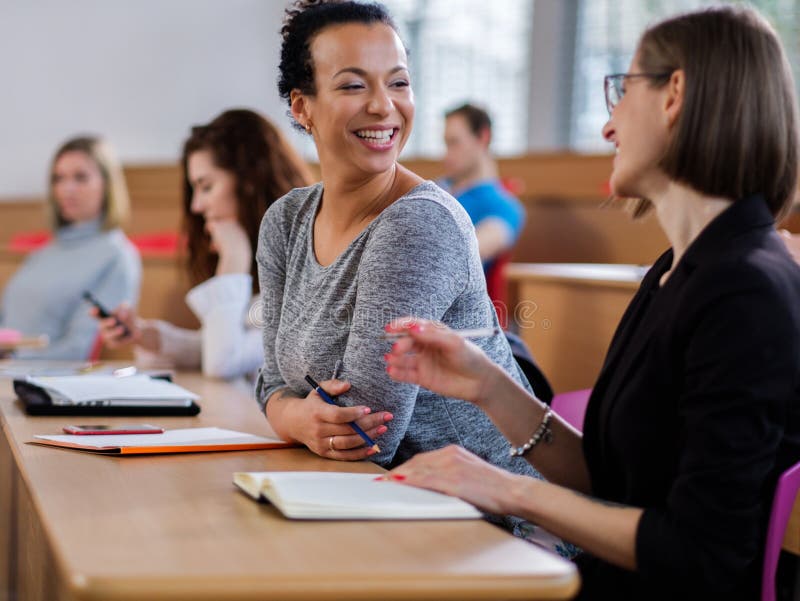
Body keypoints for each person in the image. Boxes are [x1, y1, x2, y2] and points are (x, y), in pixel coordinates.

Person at [384, 6, 800, 600]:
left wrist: (503, 488)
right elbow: (608, 477)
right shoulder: (677, 268)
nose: (608, 128)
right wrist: (489, 387)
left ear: (673, 94)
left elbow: (700, 556)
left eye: (621, 89)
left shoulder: (745, 290)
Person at [255, 0, 567, 549]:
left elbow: (368, 429)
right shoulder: (285, 221)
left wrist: (297, 411)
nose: (384, 106)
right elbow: (269, 379)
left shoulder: (420, 221)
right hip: (390, 505)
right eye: (353, 86)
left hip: (502, 529)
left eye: (398, 83)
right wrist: (296, 418)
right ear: (301, 106)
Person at [96, 109, 312, 381]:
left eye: (206, 187)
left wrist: (233, 260)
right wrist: (145, 335)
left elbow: (223, 362)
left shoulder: (308, 262)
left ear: (250, 181)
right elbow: (220, 345)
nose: (196, 206)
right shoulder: (265, 255)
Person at [0, 136, 141, 360]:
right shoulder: (44, 251)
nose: (67, 189)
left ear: (107, 184)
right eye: (59, 178)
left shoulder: (117, 256)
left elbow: (78, 350)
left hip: (44, 382)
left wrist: (12, 360)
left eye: (80, 177)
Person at [441, 103, 525, 271]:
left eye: (454, 143)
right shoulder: (435, 188)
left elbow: (465, 257)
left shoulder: (504, 207)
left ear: (483, 137)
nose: (446, 155)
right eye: (446, 144)